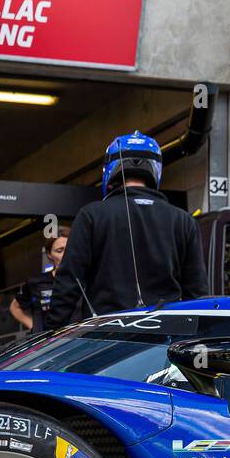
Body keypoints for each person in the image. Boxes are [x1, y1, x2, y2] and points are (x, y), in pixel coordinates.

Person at [45, 130, 209, 329]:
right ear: (155, 169)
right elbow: (197, 294)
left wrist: (50, 334)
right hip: (165, 337)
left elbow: (68, 283)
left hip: (107, 337)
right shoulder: (184, 221)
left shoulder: (91, 215)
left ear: (110, 168)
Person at [10, 226, 69, 334]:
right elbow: (15, 307)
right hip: (49, 344)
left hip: (81, 342)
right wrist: (35, 328)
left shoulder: (85, 279)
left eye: (69, 249)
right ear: (50, 255)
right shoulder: (36, 282)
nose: (65, 254)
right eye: (59, 251)